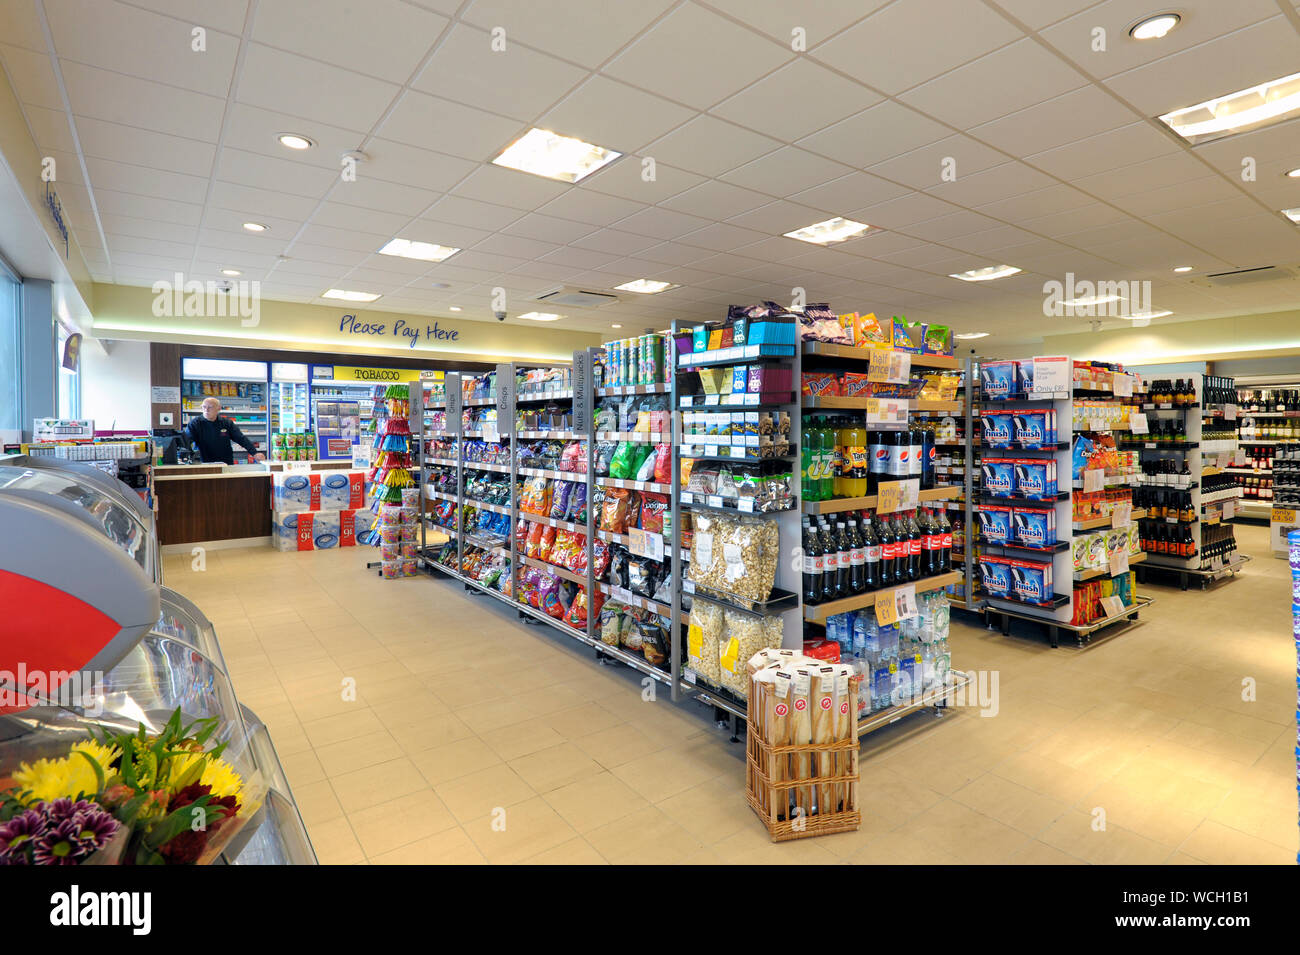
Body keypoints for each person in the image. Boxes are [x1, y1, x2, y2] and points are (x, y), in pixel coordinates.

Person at [185, 397, 266, 464]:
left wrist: (254, 453)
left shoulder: (226, 423)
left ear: (218, 408)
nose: (206, 410)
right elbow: (186, 442)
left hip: (225, 462)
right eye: (204, 407)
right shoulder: (195, 423)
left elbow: (241, 438)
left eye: (210, 407)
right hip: (203, 462)